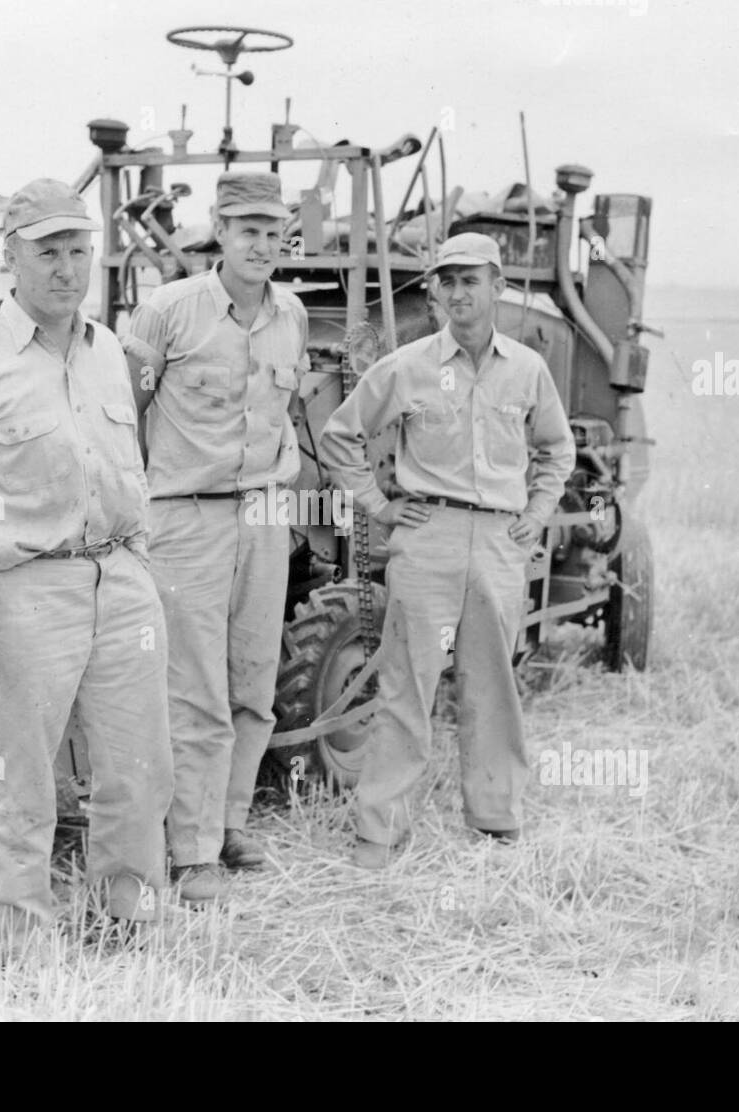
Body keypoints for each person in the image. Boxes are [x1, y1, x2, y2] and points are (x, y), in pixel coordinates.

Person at [0, 178, 173, 945]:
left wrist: (140, 566)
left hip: (123, 580)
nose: (66, 268)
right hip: (28, 590)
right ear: (11, 260)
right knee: (17, 779)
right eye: (48, 252)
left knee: (138, 767)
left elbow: (131, 465)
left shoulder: (112, 355)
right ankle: (17, 945)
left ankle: (127, 924)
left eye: (78, 250)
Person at [319, 232, 575, 867]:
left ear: (498, 287)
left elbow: (556, 449)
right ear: (432, 291)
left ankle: (495, 817)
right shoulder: (408, 366)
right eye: (447, 281)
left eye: (471, 280)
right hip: (428, 541)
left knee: (492, 686)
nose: (459, 293)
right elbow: (341, 434)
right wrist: (379, 508)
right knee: (407, 686)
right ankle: (379, 831)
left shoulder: (527, 369)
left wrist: (536, 515)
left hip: (498, 541)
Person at [122, 172, 309, 903]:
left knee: (254, 681)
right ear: (220, 232)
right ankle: (191, 849)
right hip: (186, 517)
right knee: (194, 688)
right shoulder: (169, 311)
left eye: (274, 232)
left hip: (263, 514)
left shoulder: (290, 315)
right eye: (248, 230)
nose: (262, 245)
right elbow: (125, 414)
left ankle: (229, 821)